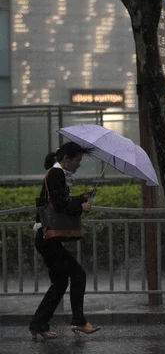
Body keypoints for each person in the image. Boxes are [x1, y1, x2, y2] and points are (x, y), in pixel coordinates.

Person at [29, 142, 101, 340]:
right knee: (78, 274)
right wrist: (81, 206)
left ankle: (39, 324)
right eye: (77, 160)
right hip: (47, 237)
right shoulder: (56, 174)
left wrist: (82, 198)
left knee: (60, 282)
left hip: (46, 238)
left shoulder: (57, 174)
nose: (79, 164)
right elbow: (60, 205)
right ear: (66, 159)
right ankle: (79, 321)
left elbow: (59, 201)